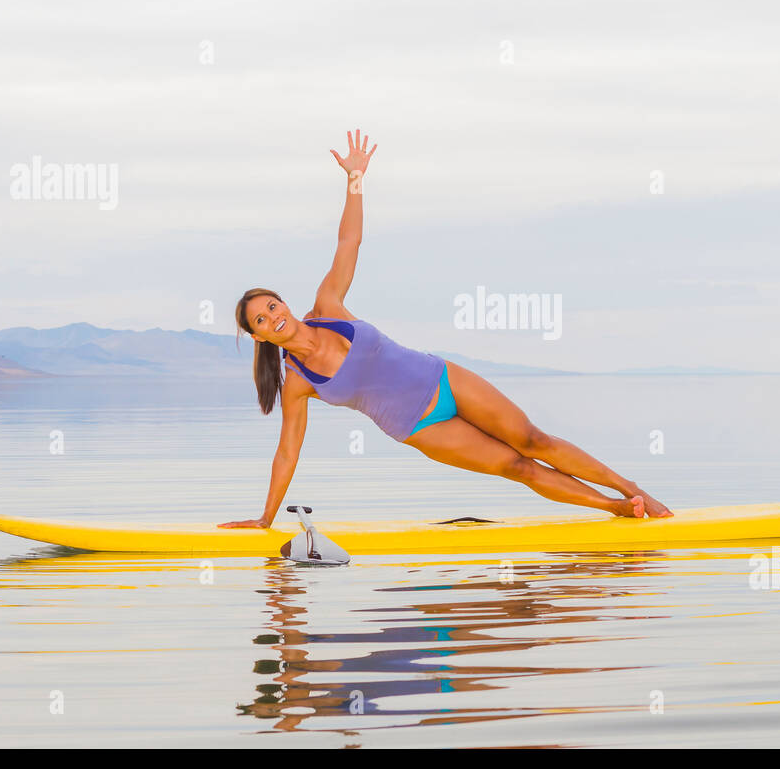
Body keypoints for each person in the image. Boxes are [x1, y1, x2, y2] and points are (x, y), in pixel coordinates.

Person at [222, 130, 672, 529]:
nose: (272, 316)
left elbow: (348, 242)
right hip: (421, 427)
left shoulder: (329, 306)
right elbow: (287, 453)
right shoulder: (298, 384)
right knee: (518, 467)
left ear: (283, 301)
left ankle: (632, 487)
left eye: (272, 305)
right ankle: (615, 509)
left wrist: (354, 181)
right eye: (260, 320)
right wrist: (265, 518)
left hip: (443, 379)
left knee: (533, 440)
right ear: (259, 336)